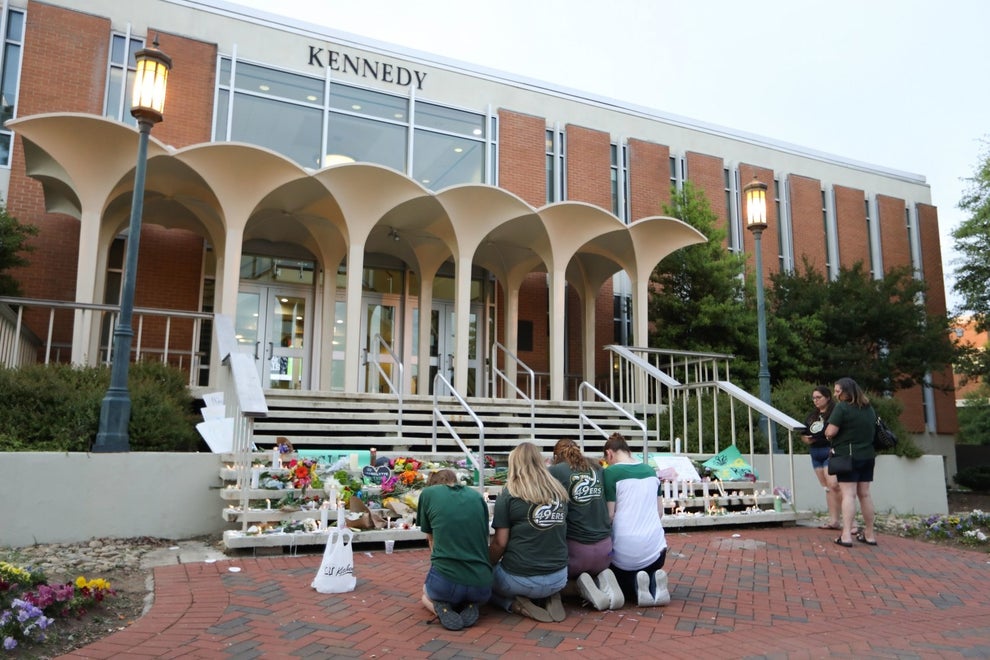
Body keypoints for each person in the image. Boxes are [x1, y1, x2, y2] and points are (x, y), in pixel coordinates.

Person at [489, 442, 570, 622]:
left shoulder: (509, 494)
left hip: (519, 579)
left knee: (483, 582)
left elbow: (500, 543)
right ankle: (550, 596)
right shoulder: (560, 492)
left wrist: (488, 564)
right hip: (559, 577)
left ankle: (515, 605)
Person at [549, 438, 623, 610]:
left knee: (552, 584)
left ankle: (580, 587)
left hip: (576, 556)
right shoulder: (597, 468)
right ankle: (600, 579)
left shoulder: (555, 471)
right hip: (605, 552)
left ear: (556, 456)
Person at [417, 468, 493, 630]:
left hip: (445, 583)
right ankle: (472, 604)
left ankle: (440, 609)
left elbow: (431, 539)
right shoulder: (476, 496)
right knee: (472, 593)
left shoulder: (429, 494)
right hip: (481, 584)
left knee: (425, 595)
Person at [602, 433, 670, 607]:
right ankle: (654, 583)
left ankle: (636, 584)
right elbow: (660, 512)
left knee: (620, 581)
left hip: (625, 551)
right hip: (656, 550)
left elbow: (610, 515)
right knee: (648, 568)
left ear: (609, 453)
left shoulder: (610, 473)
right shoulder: (650, 471)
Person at [824, 377, 878, 547]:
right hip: (868, 456)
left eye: (837, 391)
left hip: (848, 456)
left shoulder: (842, 407)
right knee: (865, 494)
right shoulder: (868, 408)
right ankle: (870, 534)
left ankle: (846, 535)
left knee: (848, 494)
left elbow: (830, 431)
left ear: (846, 392)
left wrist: (828, 434)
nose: (835, 394)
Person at [801, 386, 841, 530]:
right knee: (827, 488)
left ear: (827, 397)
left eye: (819, 397)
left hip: (829, 450)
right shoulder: (812, 416)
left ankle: (849, 520)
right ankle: (833, 520)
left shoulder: (834, 413)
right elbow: (803, 433)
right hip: (815, 451)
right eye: (814, 398)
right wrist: (806, 439)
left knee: (834, 484)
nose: (816, 400)